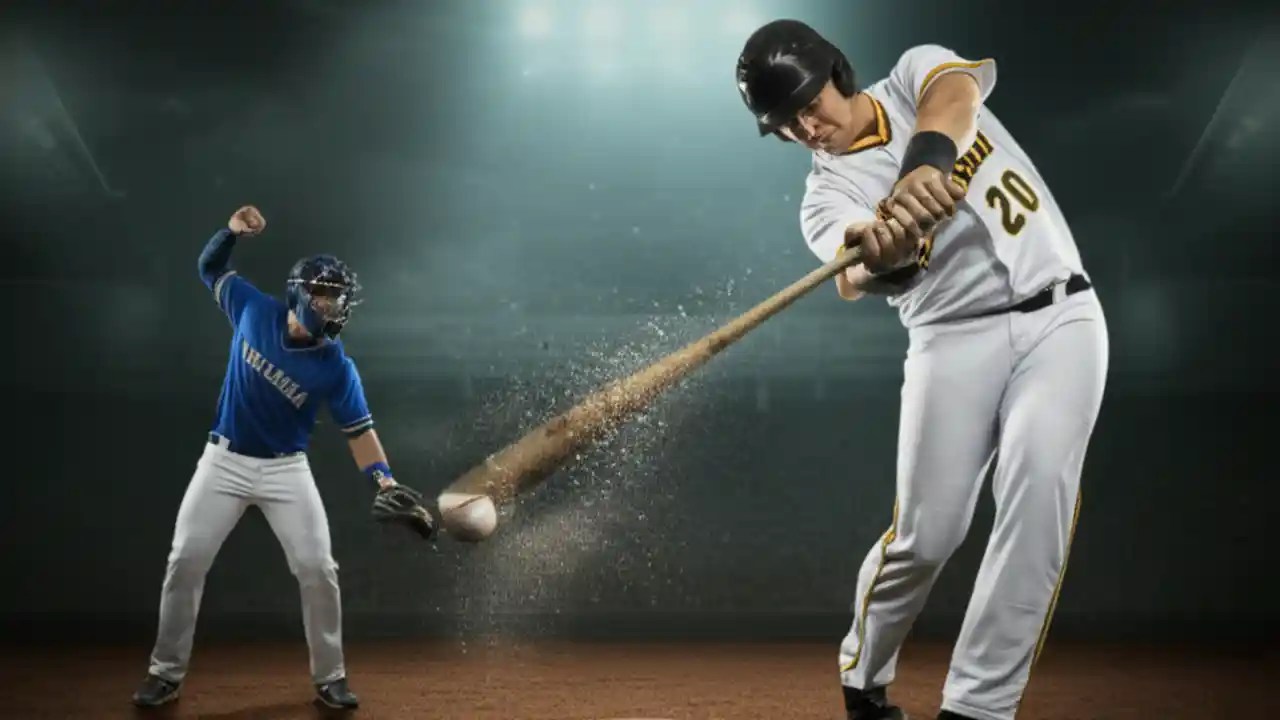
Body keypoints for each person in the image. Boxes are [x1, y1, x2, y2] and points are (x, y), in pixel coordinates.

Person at [735, 20, 1109, 720]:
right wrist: (884, 246)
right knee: (927, 535)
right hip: (950, 340)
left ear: (837, 74)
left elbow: (954, 100)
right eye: (784, 123)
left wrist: (922, 168)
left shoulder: (913, 73)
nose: (805, 126)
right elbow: (859, 268)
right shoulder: (823, 200)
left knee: (1038, 492)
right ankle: (864, 674)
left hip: (1064, 316)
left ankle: (977, 706)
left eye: (809, 102)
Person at [131, 205, 436, 710]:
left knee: (318, 567)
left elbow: (359, 431)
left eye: (339, 298)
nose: (335, 306)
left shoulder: (335, 365)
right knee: (185, 560)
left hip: (285, 470)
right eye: (326, 295)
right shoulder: (252, 310)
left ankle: (330, 678)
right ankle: (164, 674)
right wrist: (229, 232)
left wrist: (384, 481)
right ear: (300, 292)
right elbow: (209, 269)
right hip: (222, 463)